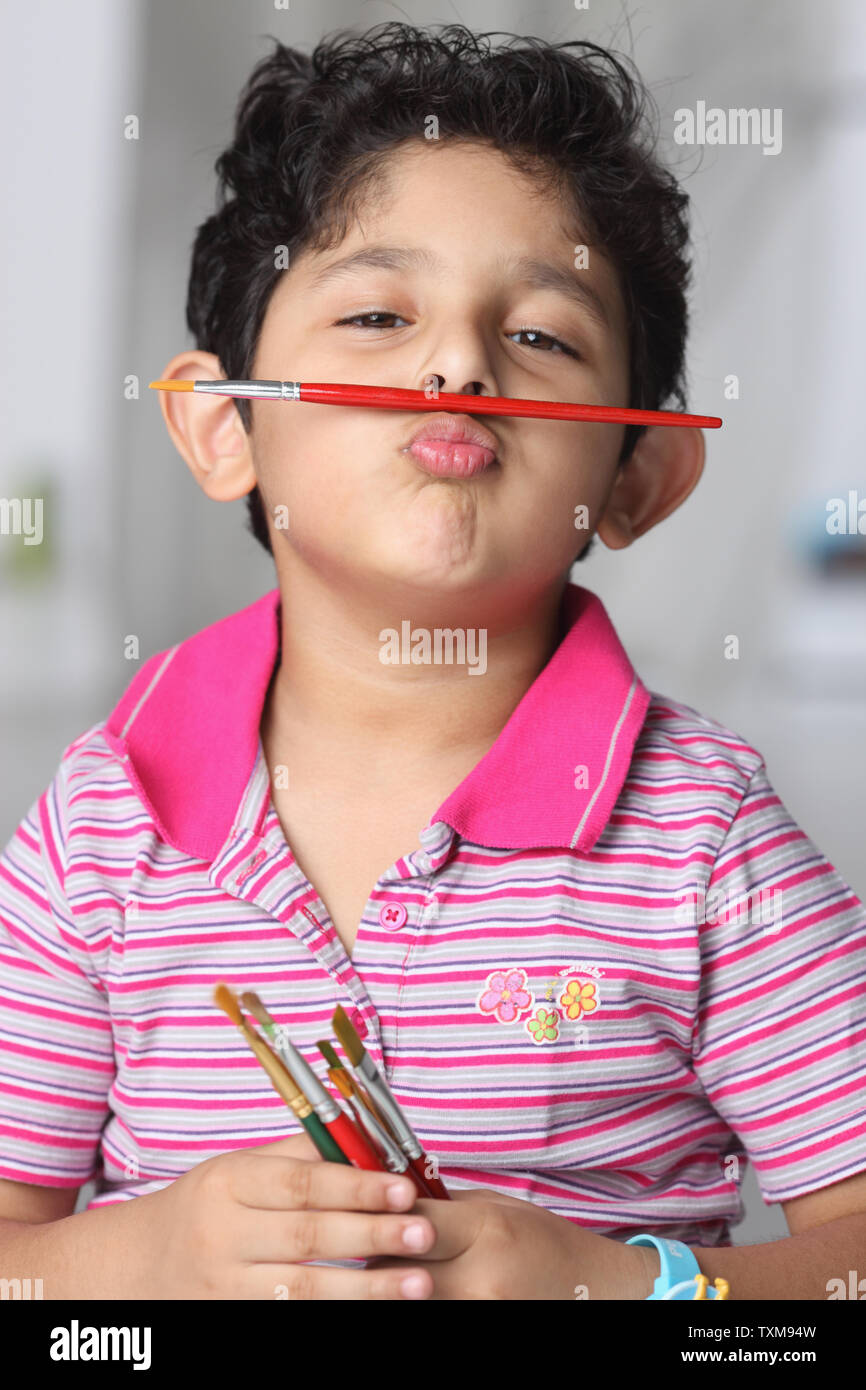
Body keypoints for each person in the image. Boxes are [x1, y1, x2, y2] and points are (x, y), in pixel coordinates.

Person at [1, 23, 864, 1301]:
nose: (456, 364)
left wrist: (628, 1291)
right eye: (374, 312)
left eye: (543, 339)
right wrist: (148, 1262)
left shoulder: (705, 839)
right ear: (222, 425)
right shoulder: (99, 823)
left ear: (637, 475)